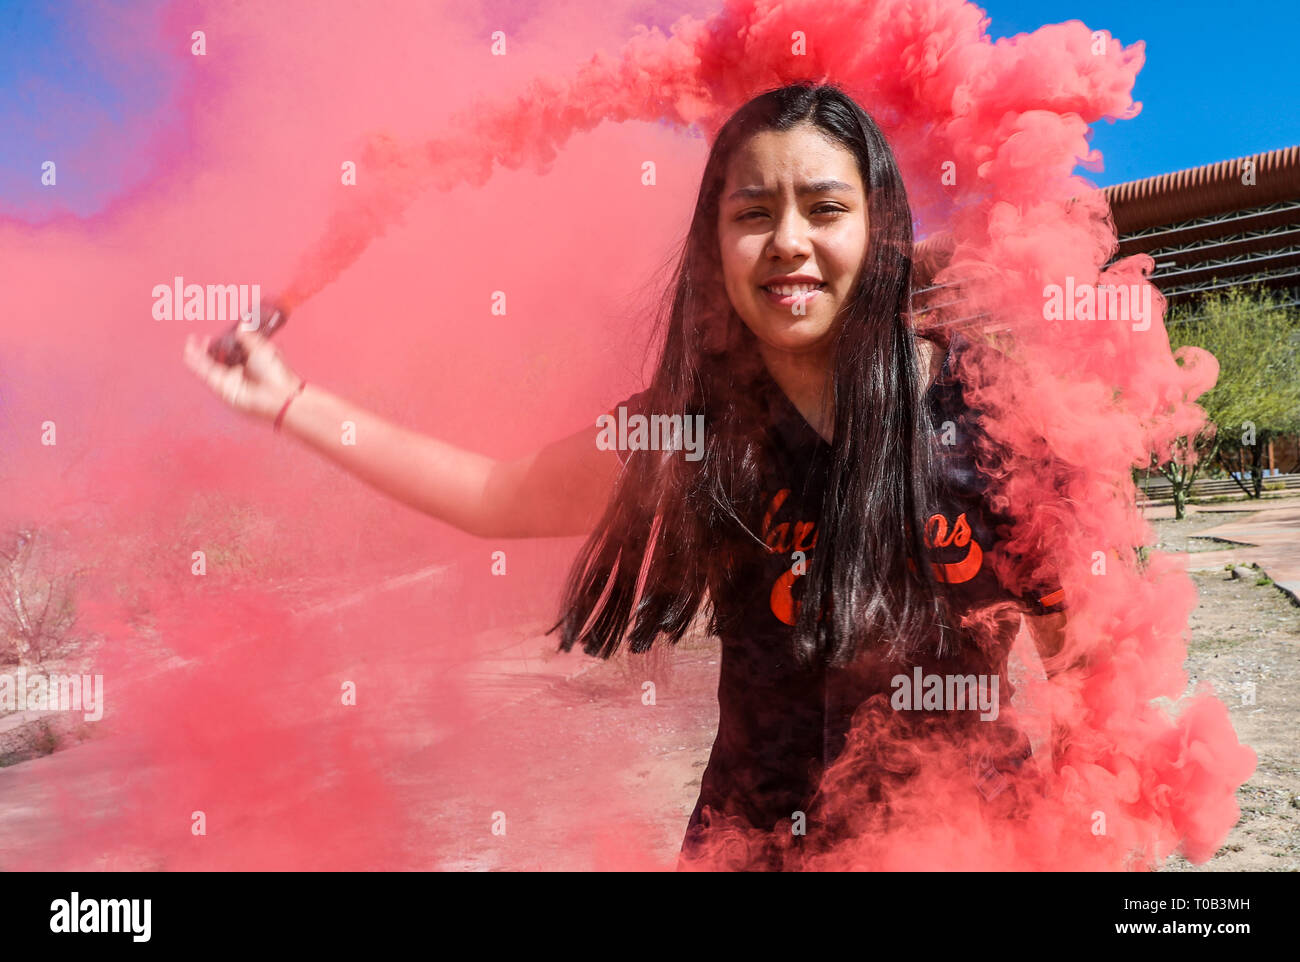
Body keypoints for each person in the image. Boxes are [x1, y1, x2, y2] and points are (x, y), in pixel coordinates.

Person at [183, 81, 1069, 871]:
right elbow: (495, 497)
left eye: (825, 208)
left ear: (877, 231)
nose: (788, 242)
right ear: (714, 246)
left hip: (973, 842)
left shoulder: (987, 411)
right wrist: (289, 402)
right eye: (753, 213)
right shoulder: (696, 429)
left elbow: (1087, 663)